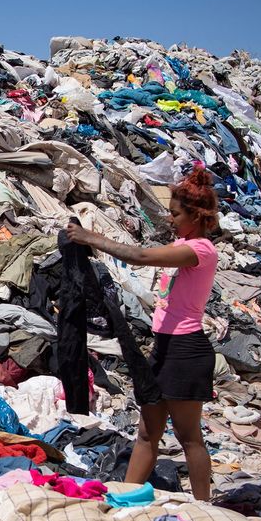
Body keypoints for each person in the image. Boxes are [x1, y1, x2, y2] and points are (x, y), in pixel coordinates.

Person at [66, 165, 219, 500]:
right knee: (148, 433)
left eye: (176, 214)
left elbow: (140, 256)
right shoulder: (183, 243)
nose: (170, 219)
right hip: (163, 349)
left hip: (186, 351)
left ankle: (205, 506)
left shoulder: (201, 251)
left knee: (189, 436)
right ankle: (123, 497)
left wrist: (91, 238)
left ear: (196, 216)